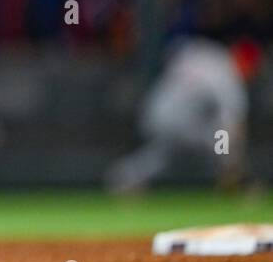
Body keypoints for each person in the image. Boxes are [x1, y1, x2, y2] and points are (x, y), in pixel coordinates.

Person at [106, 37, 260, 194]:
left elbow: (175, 50)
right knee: (219, 138)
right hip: (181, 121)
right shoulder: (228, 78)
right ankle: (231, 174)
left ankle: (125, 176)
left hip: (155, 108)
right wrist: (230, 156)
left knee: (163, 154)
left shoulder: (209, 53)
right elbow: (231, 124)